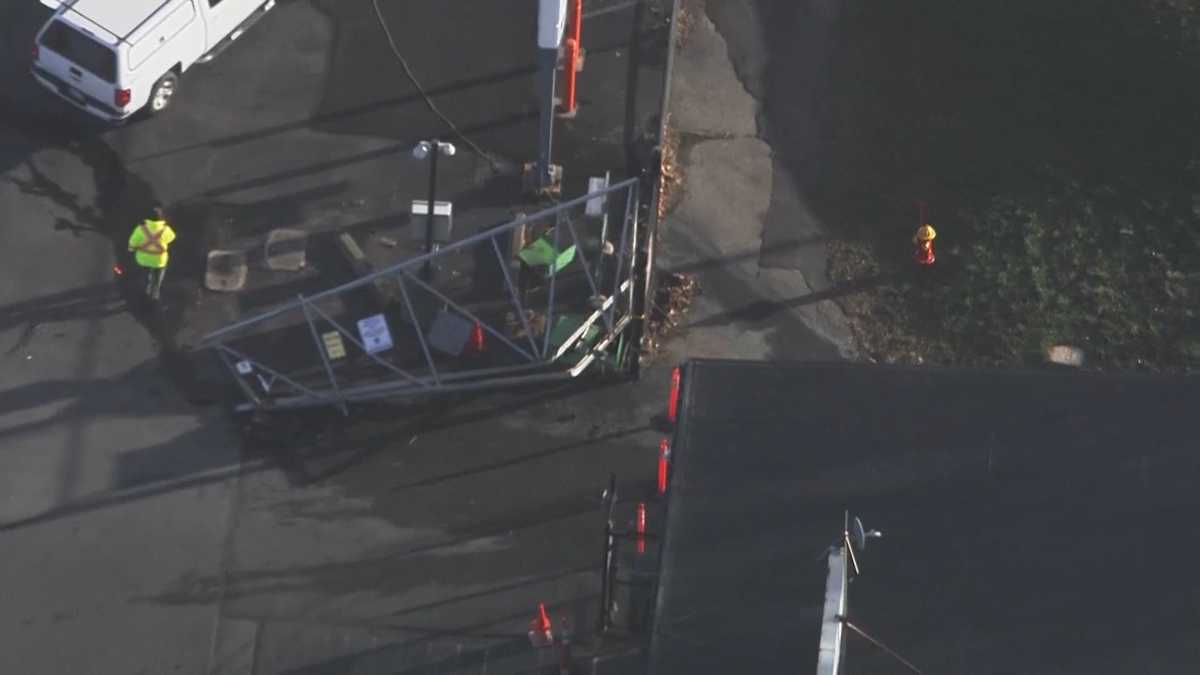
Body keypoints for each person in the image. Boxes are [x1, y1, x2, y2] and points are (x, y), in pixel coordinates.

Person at [128, 206, 176, 301]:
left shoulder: (141, 229)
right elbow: (171, 238)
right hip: (159, 261)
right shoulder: (165, 229)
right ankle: (155, 293)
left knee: (142, 275)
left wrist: (131, 249)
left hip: (143, 259)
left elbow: (132, 243)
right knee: (157, 278)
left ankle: (142, 291)